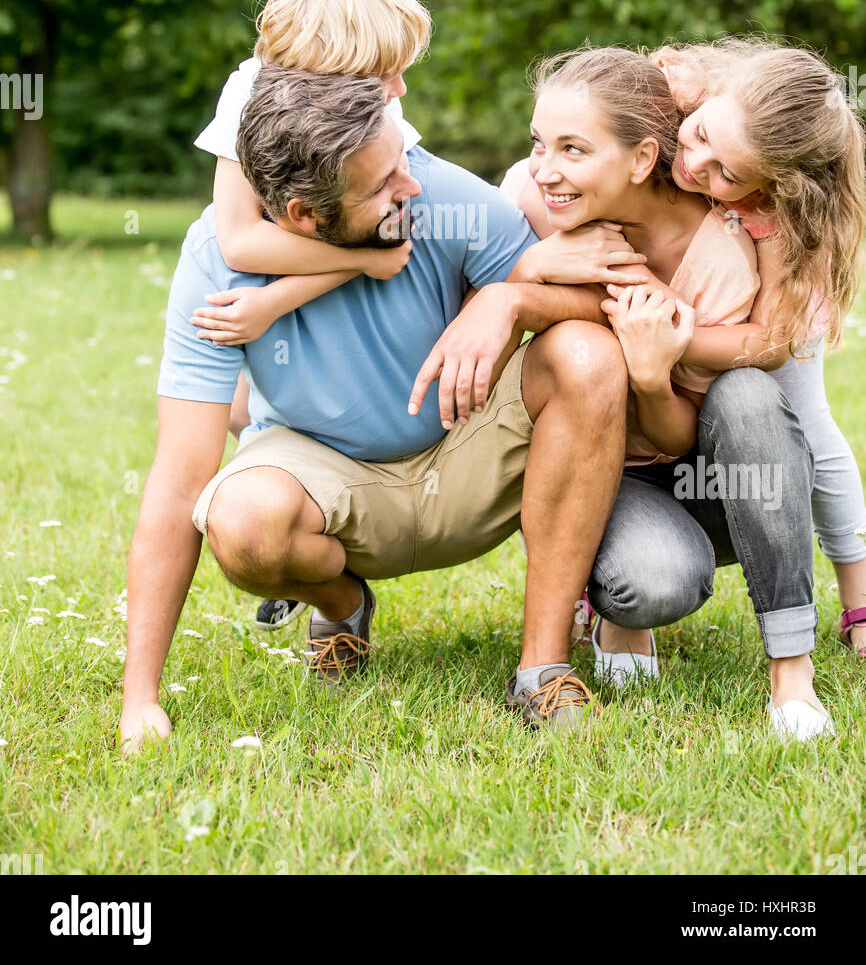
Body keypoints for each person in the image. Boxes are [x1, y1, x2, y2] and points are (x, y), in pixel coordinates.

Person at [119, 65, 629, 752]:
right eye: (385, 183)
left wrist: (511, 299)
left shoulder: (439, 192)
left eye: (404, 162)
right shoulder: (217, 260)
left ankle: (542, 666)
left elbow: (604, 303)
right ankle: (342, 605)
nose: (411, 184)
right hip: (327, 480)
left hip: (466, 451)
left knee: (588, 355)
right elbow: (181, 477)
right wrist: (140, 699)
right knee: (239, 523)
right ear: (305, 215)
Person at [502, 46, 833, 740]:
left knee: (747, 394)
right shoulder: (546, 199)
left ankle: (792, 675)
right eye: (540, 143)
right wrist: (534, 267)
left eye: (728, 172)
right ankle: (618, 618)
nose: (700, 169)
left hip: (713, 465)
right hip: (609, 471)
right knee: (651, 582)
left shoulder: (739, 244)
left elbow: (783, 416)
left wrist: (660, 357)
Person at [189, 0, 428, 628]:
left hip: (317, 302)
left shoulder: (372, 122)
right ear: (332, 68)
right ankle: (288, 551)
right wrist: (347, 264)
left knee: (286, 412)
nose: (402, 91)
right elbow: (239, 238)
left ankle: (301, 544)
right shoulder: (249, 93)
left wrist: (283, 296)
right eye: (390, 73)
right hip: (272, 286)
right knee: (245, 414)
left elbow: (388, 241)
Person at [650, 39, 866, 658]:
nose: (697, 168)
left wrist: (674, 338)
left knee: (807, 419)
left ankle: (857, 592)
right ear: (708, 96)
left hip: (756, 313)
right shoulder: (673, 94)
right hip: (682, 280)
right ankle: (608, 577)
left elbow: (771, 341)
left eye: (729, 175)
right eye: (699, 136)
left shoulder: (781, 209)